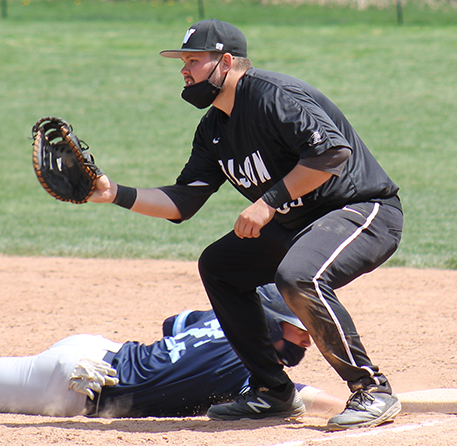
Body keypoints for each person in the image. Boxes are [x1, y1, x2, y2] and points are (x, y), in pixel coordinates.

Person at [86, 19, 403, 430]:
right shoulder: (214, 129)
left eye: (194, 61)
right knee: (221, 266)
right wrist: (114, 192)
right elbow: (182, 201)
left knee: (297, 276)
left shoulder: (274, 97)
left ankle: (372, 389)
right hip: (300, 223)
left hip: (363, 210)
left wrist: (268, 203)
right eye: (182, 61)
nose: (184, 71)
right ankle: (273, 391)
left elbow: (332, 154)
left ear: (227, 62)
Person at [0, 253, 344, 418]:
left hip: (91, 357)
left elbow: (175, 326)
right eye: (300, 330)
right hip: (78, 384)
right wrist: (352, 405)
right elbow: (298, 397)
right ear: (274, 320)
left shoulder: (225, 317)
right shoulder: (253, 363)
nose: (307, 340)